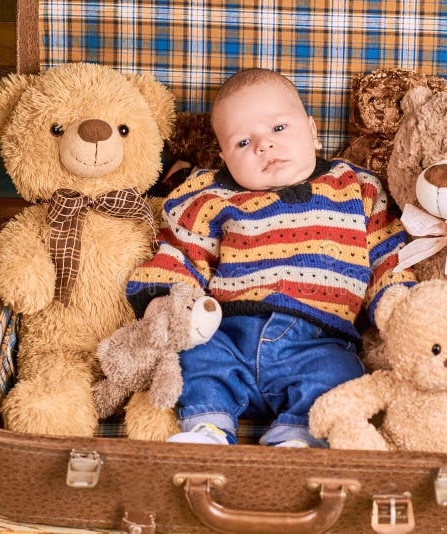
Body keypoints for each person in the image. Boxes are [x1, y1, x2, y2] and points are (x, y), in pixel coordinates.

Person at [127, 68, 415, 447]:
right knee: (196, 360)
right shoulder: (210, 196)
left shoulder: (356, 187)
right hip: (229, 331)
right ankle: (208, 427)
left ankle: (297, 435)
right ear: (224, 157)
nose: (264, 145)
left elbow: (387, 251)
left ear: (312, 131)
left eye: (279, 129)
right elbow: (183, 250)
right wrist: (165, 299)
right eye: (243, 142)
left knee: (340, 373)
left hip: (318, 338)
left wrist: (397, 302)